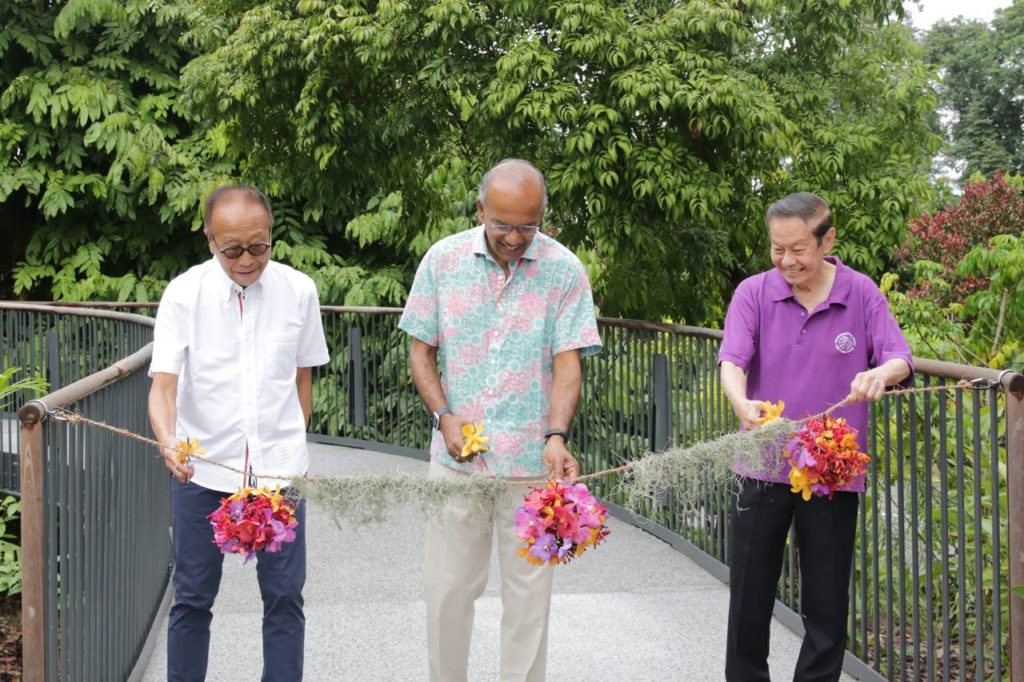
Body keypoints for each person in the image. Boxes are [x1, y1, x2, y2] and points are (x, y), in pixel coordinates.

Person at [399, 159, 602, 682]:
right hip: (457, 460)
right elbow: (420, 353)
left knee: (530, 598)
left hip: (533, 465)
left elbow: (568, 365)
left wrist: (557, 435)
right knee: (446, 591)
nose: (515, 237)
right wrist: (443, 416)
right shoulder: (441, 261)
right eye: (503, 224)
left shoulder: (564, 270)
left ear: (542, 217)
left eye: (528, 226)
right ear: (480, 209)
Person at [719, 191, 913, 682]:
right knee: (749, 595)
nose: (786, 260)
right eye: (777, 249)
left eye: (798, 249)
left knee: (826, 601)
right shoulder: (754, 293)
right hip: (761, 464)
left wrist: (881, 376)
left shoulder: (862, 292)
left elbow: (898, 356)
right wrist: (740, 403)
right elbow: (733, 360)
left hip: (831, 471)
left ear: (828, 240)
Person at [148, 184, 329, 681]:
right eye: (233, 249)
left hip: (280, 476)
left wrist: (289, 450)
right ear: (209, 239)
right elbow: (163, 387)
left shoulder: (299, 291)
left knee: (286, 599)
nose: (247, 259)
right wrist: (167, 440)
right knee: (191, 598)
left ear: (272, 236)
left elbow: (302, 380)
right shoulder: (184, 294)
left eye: (259, 246)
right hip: (202, 473)